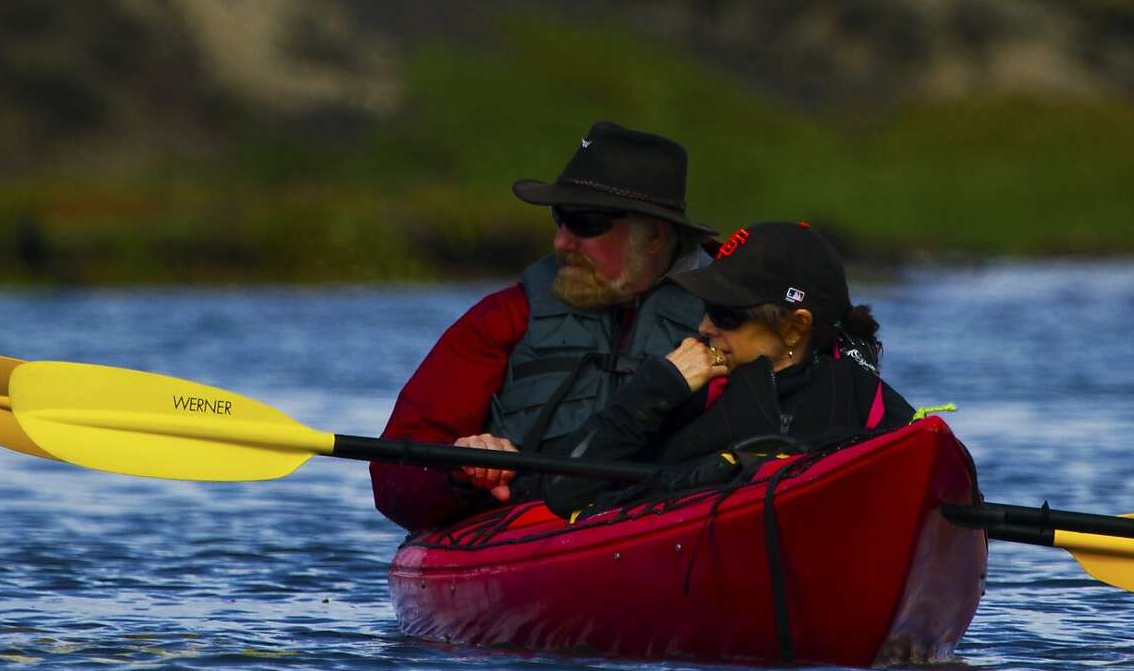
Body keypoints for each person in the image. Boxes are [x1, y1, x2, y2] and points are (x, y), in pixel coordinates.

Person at [371, 120, 717, 531]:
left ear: (656, 236)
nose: (561, 242)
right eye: (560, 218)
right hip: (525, 532)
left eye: (586, 222)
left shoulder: (731, 320)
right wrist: (458, 469)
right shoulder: (505, 317)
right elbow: (393, 477)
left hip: (676, 526)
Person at [532, 221, 915, 518]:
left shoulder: (870, 402)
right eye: (706, 307)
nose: (704, 328)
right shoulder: (686, 390)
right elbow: (566, 489)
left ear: (796, 327)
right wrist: (655, 387)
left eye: (726, 314)